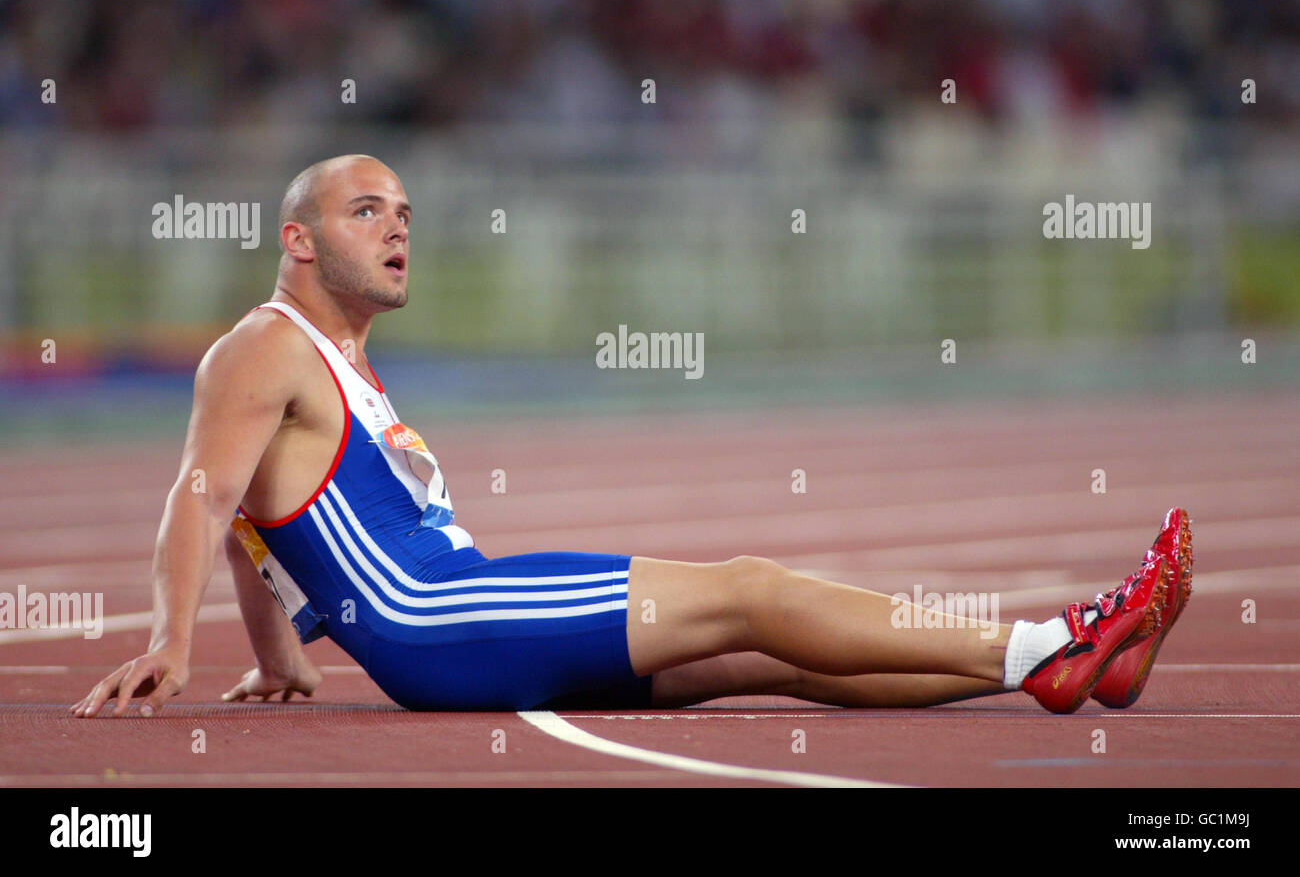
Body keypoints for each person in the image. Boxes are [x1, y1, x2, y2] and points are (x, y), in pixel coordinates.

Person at [71, 155, 1193, 720]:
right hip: (438, 620)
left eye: (406, 211)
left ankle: (1040, 667)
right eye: (368, 211)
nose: (399, 225)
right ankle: (1058, 641)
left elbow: (251, 524)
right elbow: (201, 494)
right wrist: (176, 641)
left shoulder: (345, 366)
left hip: (452, 616)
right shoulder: (261, 347)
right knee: (748, 584)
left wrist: (279, 658)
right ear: (298, 243)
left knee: (764, 653)